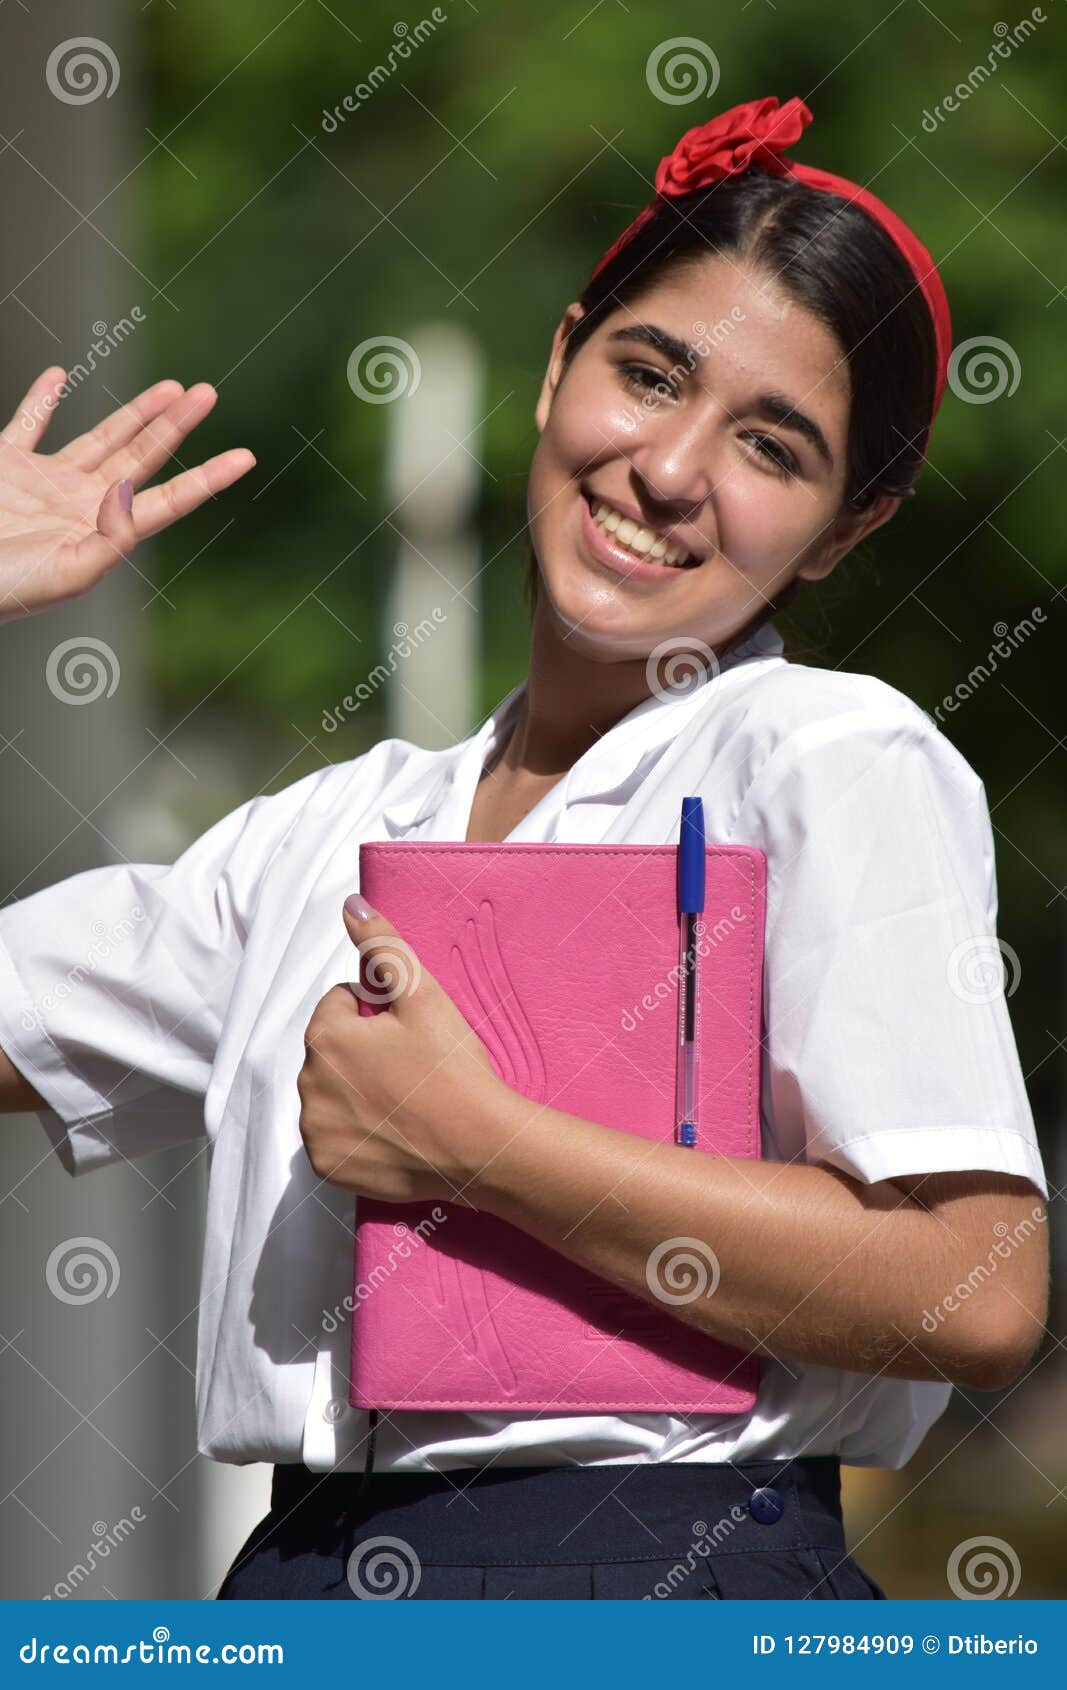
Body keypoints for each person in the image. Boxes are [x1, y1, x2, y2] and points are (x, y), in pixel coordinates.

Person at [0, 95, 1048, 1601]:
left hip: (660, 1579)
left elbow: (980, 1279)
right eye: (650, 373)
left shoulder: (823, 753)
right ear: (562, 362)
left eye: (772, 443)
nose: (672, 468)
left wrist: (475, 1148)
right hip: (305, 1577)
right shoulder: (325, 828)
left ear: (845, 525)